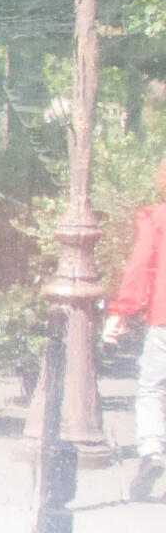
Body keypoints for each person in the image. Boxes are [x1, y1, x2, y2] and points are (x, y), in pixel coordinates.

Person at [105, 153, 166, 500]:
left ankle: (152, 450)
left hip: (163, 320)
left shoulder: (157, 218)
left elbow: (141, 267)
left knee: (153, 389)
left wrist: (121, 311)